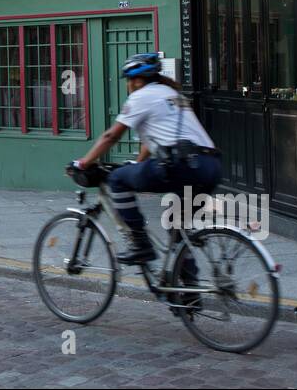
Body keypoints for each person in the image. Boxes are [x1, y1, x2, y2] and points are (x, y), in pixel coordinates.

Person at [70, 52, 221, 265]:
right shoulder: (173, 95)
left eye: (128, 80)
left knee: (117, 179)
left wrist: (84, 162)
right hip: (210, 165)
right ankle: (187, 290)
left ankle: (140, 245)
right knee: (177, 228)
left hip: (181, 165)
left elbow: (111, 136)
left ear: (137, 80)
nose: (128, 85)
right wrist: (139, 164)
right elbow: (151, 143)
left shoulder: (141, 96)